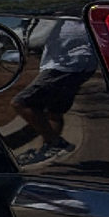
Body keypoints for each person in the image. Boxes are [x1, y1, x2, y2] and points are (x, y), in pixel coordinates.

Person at [12, 18, 97, 165]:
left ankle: (56, 143)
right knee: (55, 111)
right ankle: (49, 149)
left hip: (68, 62)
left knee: (21, 103)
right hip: (76, 62)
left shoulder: (75, 3)